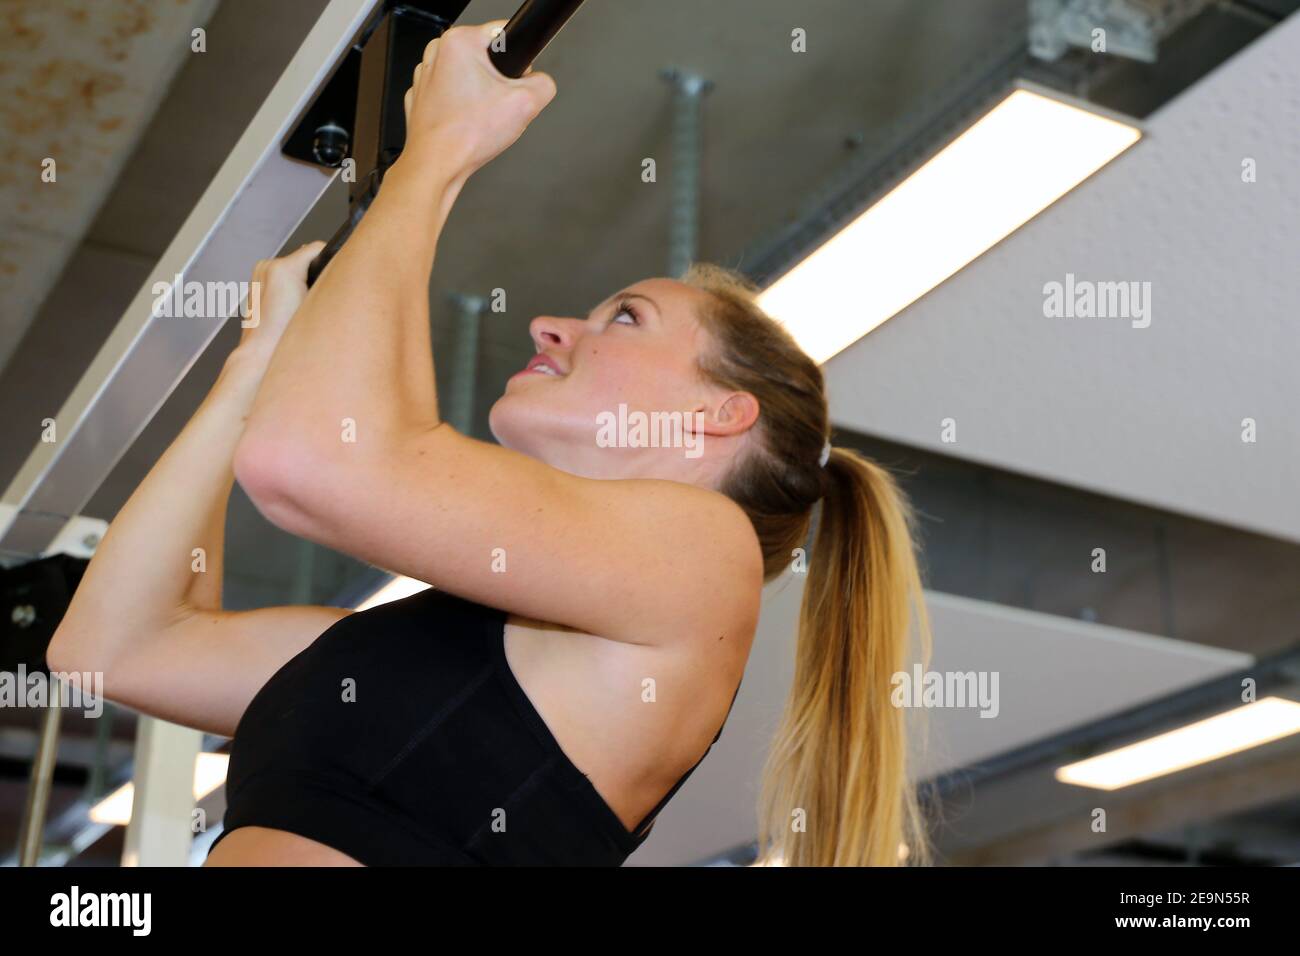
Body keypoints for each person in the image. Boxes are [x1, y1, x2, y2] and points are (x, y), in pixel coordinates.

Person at [47, 21, 931, 867]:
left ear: (721, 414)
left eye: (624, 317)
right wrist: (257, 365)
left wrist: (434, 157)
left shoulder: (710, 558)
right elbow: (115, 645)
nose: (549, 327)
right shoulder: (392, 653)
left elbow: (317, 465)